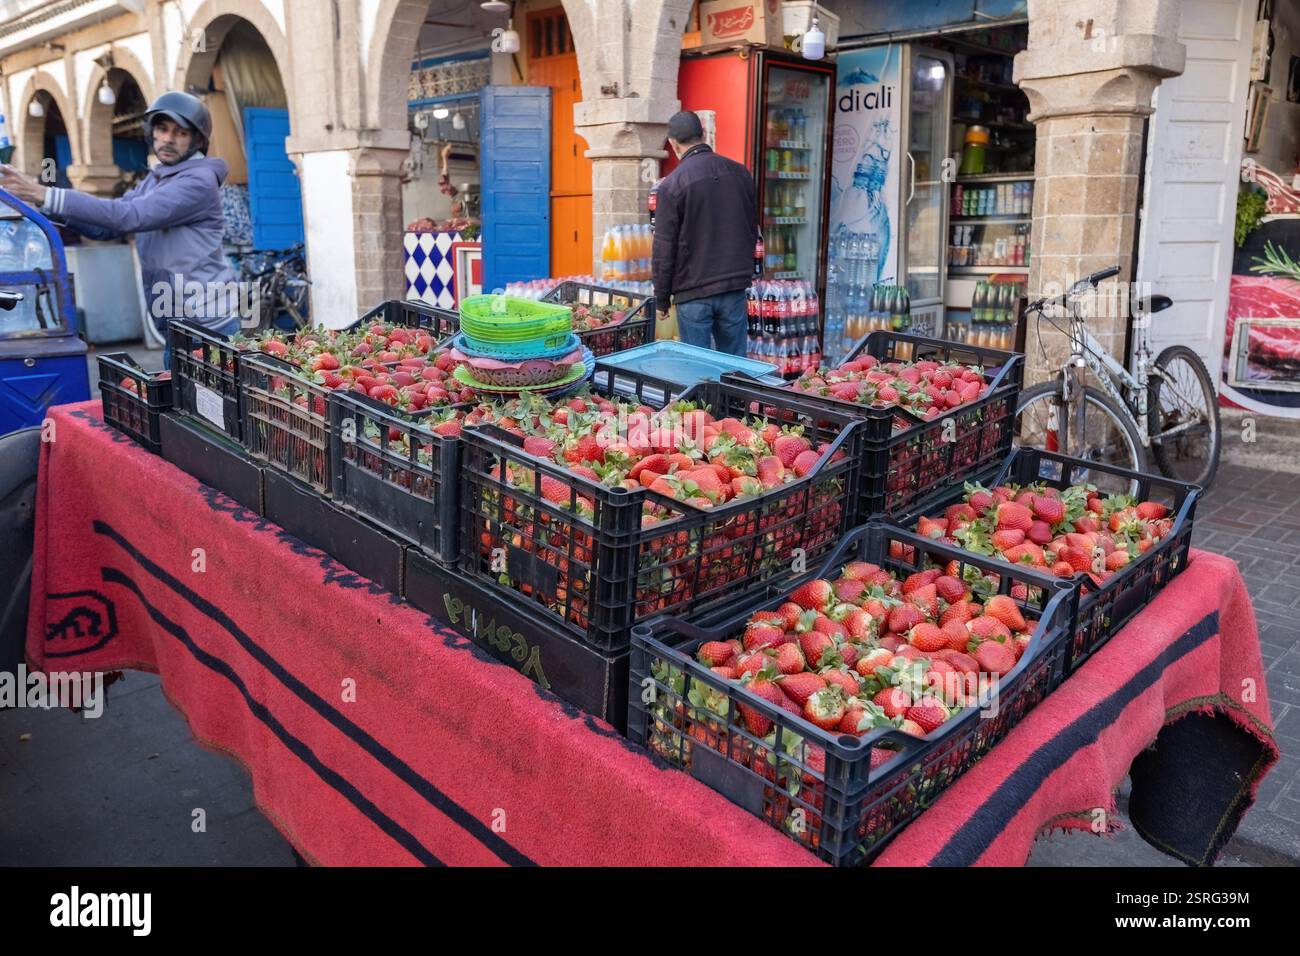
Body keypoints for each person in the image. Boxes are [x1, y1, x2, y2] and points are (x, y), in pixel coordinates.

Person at [0, 91, 240, 360]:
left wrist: (44, 193)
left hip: (207, 328)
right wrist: (41, 205)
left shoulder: (197, 182)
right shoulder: (158, 178)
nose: (169, 139)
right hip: (178, 325)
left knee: (207, 402)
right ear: (152, 132)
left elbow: (128, 215)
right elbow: (107, 228)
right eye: (162, 129)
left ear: (197, 140)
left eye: (181, 133)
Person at [652, 110, 758, 356]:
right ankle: (736, 397)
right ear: (703, 134)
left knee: (698, 368)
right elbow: (751, 229)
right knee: (734, 368)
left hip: (693, 292)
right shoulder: (741, 173)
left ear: (673, 143)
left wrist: (661, 299)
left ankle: (705, 397)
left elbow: (664, 249)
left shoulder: (672, 185)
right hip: (733, 287)